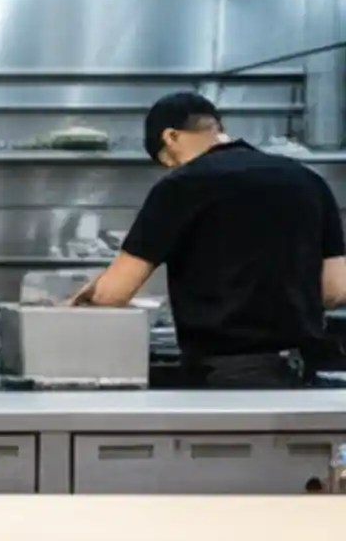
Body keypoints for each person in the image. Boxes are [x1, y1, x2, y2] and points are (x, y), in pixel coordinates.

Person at [71, 91, 346, 388]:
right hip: (307, 369)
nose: (172, 168)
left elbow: (114, 294)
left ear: (171, 137)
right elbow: (336, 289)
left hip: (228, 374)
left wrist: (94, 291)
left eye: (167, 160)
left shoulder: (181, 186)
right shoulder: (308, 180)